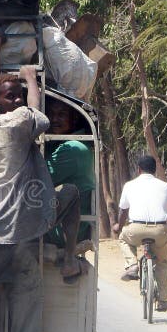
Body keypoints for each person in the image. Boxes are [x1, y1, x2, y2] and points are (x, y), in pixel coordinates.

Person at [0, 33, 70, 332]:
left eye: (18, 96)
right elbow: (38, 114)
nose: (16, 101)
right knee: (26, 284)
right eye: (10, 97)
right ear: (1, 102)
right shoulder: (20, 122)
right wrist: (31, 80)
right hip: (21, 225)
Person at [112, 155, 167, 311]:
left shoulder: (130, 185)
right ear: (154, 170)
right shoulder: (165, 186)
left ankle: (132, 265)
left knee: (123, 238)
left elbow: (123, 211)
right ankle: (162, 300)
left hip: (136, 229)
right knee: (162, 263)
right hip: (159, 230)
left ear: (139, 169)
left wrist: (118, 226)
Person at [45, 97, 96, 254]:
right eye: (51, 114)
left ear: (73, 119)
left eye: (61, 114)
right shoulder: (63, 145)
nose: (54, 119)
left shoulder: (72, 149)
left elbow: (36, 179)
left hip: (62, 232)